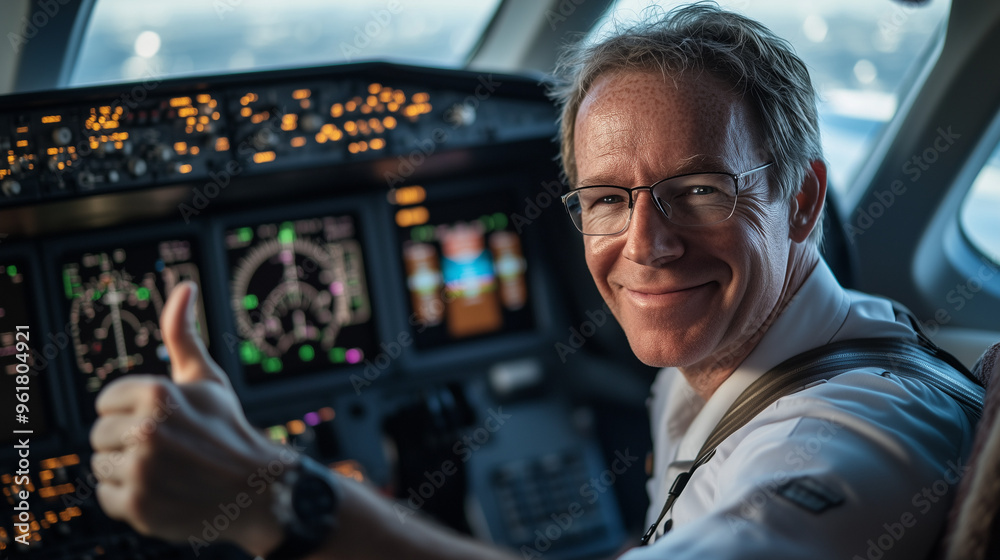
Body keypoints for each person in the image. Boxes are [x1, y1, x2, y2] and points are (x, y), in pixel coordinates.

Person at [89, 3, 976, 559]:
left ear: (803, 197)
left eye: (698, 192)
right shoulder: (718, 357)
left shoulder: (853, 433)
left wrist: (284, 498)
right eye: (606, 199)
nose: (647, 246)